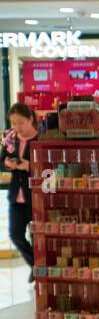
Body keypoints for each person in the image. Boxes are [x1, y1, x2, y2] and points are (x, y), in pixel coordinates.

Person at [3, 102, 38, 281]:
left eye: (20, 123)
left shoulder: (41, 139)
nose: (16, 127)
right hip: (16, 196)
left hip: (36, 197)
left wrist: (29, 166)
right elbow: (2, 159)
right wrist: (8, 164)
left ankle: (39, 269)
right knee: (15, 234)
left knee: (36, 237)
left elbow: (50, 169)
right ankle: (36, 265)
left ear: (30, 119)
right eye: (13, 123)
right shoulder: (10, 138)